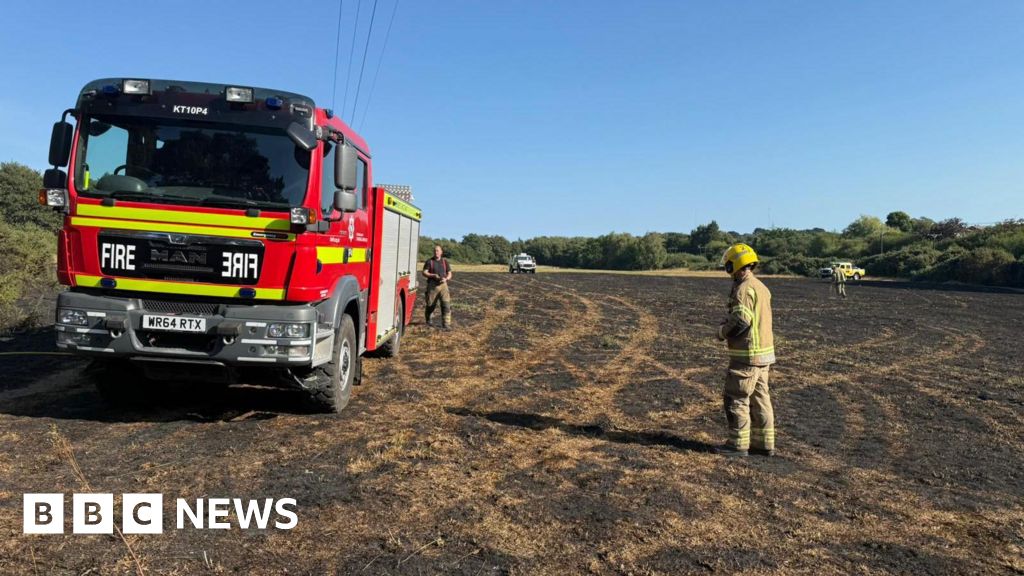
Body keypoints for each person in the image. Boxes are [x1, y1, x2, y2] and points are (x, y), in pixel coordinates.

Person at [715, 244, 776, 457]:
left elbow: (741, 320)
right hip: (764, 356)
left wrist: (722, 331)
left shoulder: (743, 289)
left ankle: (737, 445)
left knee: (736, 398)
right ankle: (764, 444)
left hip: (746, 356)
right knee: (761, 399)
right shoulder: (761, 287)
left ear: (735, 264)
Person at [422, 245, 453, 330]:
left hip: (443, 285)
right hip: (432, 286)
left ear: (441, 252)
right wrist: (433, 275)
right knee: (430, 305)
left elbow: (450, 273)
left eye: (438, 251)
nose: (436, 252)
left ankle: (446, 324)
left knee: (446, 305)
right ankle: (429, 321)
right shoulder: (429, 261)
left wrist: (446, 279)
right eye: (435, 251)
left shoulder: (445, 262)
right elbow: (424, 272)